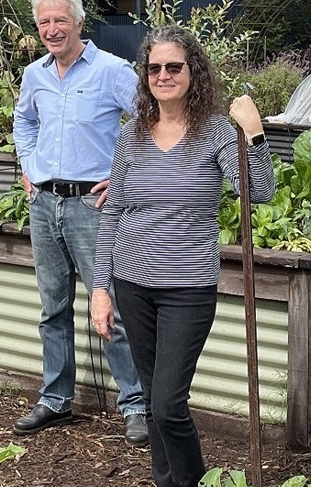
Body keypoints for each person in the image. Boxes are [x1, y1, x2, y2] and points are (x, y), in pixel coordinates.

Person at [92, 25, 275, 487]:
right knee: (152, 398)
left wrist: (255, 134)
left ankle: (192, 481)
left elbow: (259, 192)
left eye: (174, 66)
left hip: (187, 287)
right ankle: (165, 480)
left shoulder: (215, 132)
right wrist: (100, 288)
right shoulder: (131, 134)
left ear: (193, 71)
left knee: (168, 403)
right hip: (131, 283)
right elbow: (113, 211)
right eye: (154, 68)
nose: (164, 75)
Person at [12, 0, 149, 445]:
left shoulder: (112, 71)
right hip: (44, 203)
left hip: (93, 206)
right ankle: (55, 400)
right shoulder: (34, 75)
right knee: (52, 308)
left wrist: (123, 176)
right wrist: (28, 165)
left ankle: (135, 405)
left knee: (111, 308)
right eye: (44, 22)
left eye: (60, 21)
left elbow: (150, 123)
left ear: (78, 22)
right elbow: (24, 121)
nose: (52, 30)